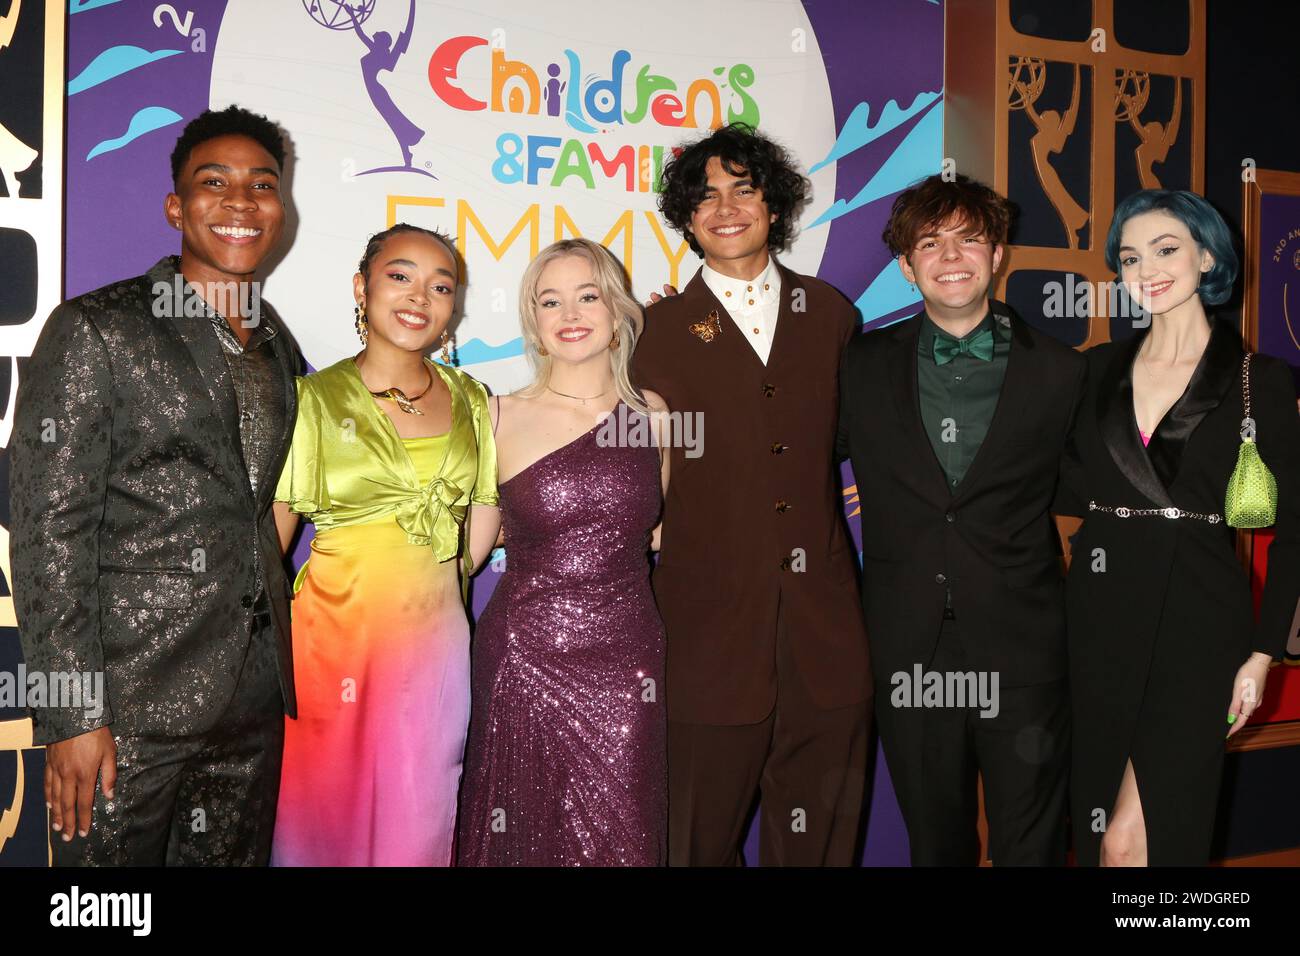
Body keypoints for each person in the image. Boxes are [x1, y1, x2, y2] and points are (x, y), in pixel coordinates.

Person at [10, 105, 302, 865]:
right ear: (176, 206)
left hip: (251, 702)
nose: (241, 202)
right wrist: (72, 712)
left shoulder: (279, 346)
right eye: (215, 182)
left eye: (262, 184)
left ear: (283, 207)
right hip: (128, 705)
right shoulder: (98, 328)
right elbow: (48, 530)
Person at [631, 123, 870, 867]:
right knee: (692, 838)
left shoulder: (832, 316)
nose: (725, 208)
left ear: (776, 202)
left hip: (824, 634)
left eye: (744, 188)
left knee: (820, 841)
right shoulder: (651, 330)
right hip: (705, 637)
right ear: (686, 217)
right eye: (705, 197)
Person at [837, 173, 1086, 866]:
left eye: (970, 238)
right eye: (931, 241)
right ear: (905, 265)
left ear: (998, 254)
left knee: (1030, 842)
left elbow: (1104, 487)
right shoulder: (858, 367)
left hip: (1025, 646)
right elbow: (786, 461)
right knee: (934, 840)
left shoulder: (1062, 373)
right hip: (908, 643)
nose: (952, 255)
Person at [1058, 189, 1299, 866]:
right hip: (1099, 619)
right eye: (1130, 257)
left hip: (1199, 629)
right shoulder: (1097, 369)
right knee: (1099, 825)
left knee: (1141, 837)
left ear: (1206, 254)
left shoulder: (1260, 379)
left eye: (1165, 249)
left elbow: (1298, 532)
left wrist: (1262, 653)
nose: (1146, 269)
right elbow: (1061, 481)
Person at [269, 224, 499, 866]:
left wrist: (441, 582)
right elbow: (278, 529)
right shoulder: (310, 400)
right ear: (361, 287)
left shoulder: (471, 399)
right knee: (321, 823)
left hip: (433, 654)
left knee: (418, 818)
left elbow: (485, 502)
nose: (419, 296)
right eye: (400, 276)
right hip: (327, 643)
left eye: (441, 285)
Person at [457, 238, 669, 866]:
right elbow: (469, 551)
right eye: (551, 301)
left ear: (615, 312)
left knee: (624, 837)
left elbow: (663, 535)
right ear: (535, 320)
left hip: (629, 662)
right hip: (523, 659)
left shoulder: (652, 416)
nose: (571, 314)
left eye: (587, 296)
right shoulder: (495, 414)